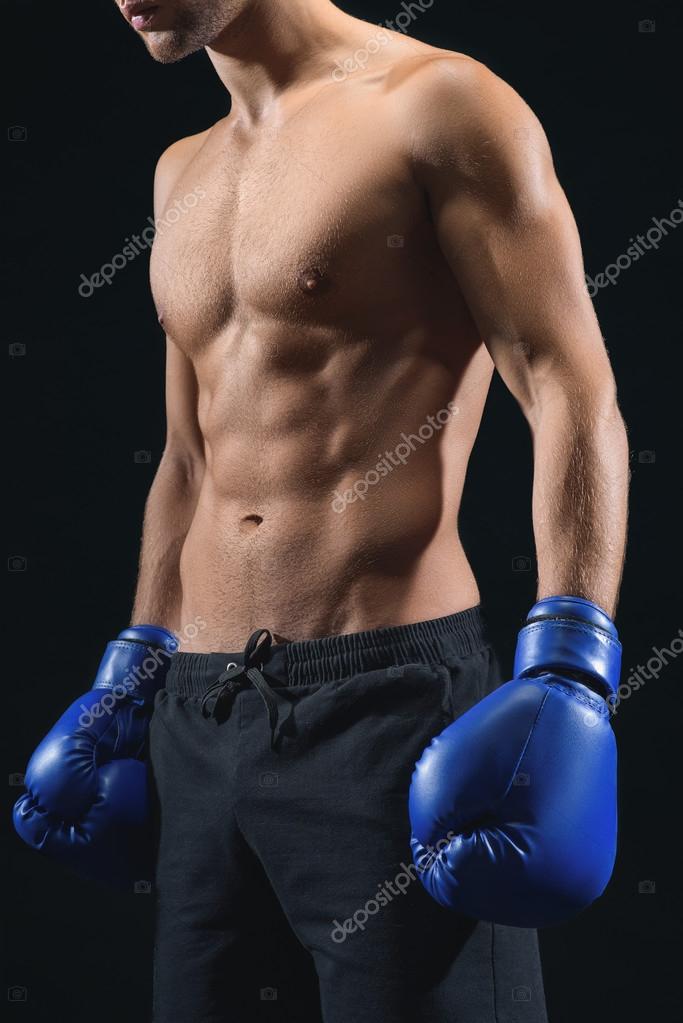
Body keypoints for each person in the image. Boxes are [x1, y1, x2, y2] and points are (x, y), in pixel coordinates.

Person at [14, 2, 629, 1021]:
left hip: (386, 719)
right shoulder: (183, 170)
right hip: (198, 718)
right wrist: (136, 661)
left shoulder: (436, 106)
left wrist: (570, 664)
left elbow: (572, 389)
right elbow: (186, 455)